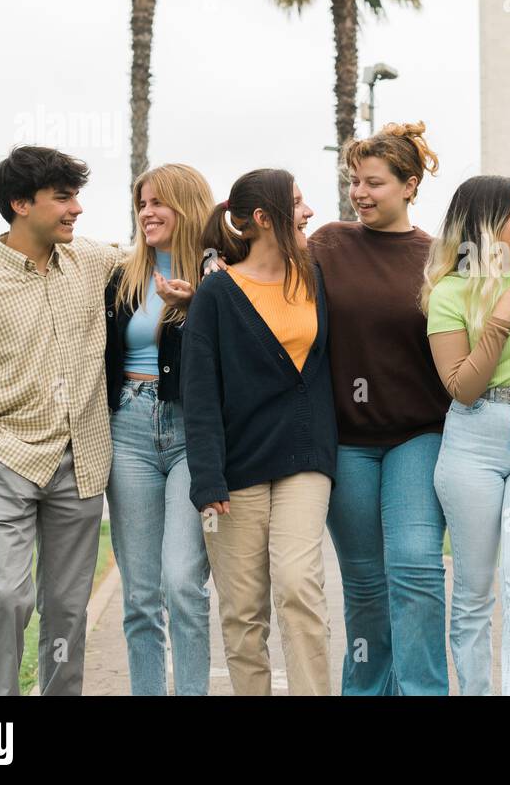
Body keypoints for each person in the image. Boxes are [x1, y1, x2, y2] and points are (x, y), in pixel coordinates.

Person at [0, 145, 123, 696]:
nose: (76, 208)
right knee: (6, 595)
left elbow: (154, 254)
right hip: (5, 465)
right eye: (63, 197)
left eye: (76, 196)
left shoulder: (92, 262)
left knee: (68, 608)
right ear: (20, 204)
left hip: (81, 462)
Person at [308, 121, 452, 695]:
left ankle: (422, 689)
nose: (359, 193)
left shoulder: (441, 257)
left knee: (416, 568)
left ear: (410, 185)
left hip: (420, 434)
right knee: (365, 583)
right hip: (346, 439)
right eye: (354, 182)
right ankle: (366, 690)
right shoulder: (327, 244)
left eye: (374, 183)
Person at [181, 168, 336, 696]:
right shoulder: (217, 294)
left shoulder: (316, 277)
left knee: (299, 586)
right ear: (265, 219)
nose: (309, 211)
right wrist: (207, 479)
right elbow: (199, 394)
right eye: (297, 202)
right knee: (243, 612)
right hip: (234, 471)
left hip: (305, 459)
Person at [421, 175, 510, 695]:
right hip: (474, 440)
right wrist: (499, 323)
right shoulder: (450, 293)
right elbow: (461, 386)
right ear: (484, 223)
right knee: (475, 590)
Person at [103, 163, 213, 695]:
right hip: (129, 429)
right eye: (141, 203)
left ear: (187, 206)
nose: (146, 212)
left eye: (157, 202)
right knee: (141, 594)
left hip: (193, 434)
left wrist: (197, 309)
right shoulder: (122, 275)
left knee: (183, 582)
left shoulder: (221, 275)